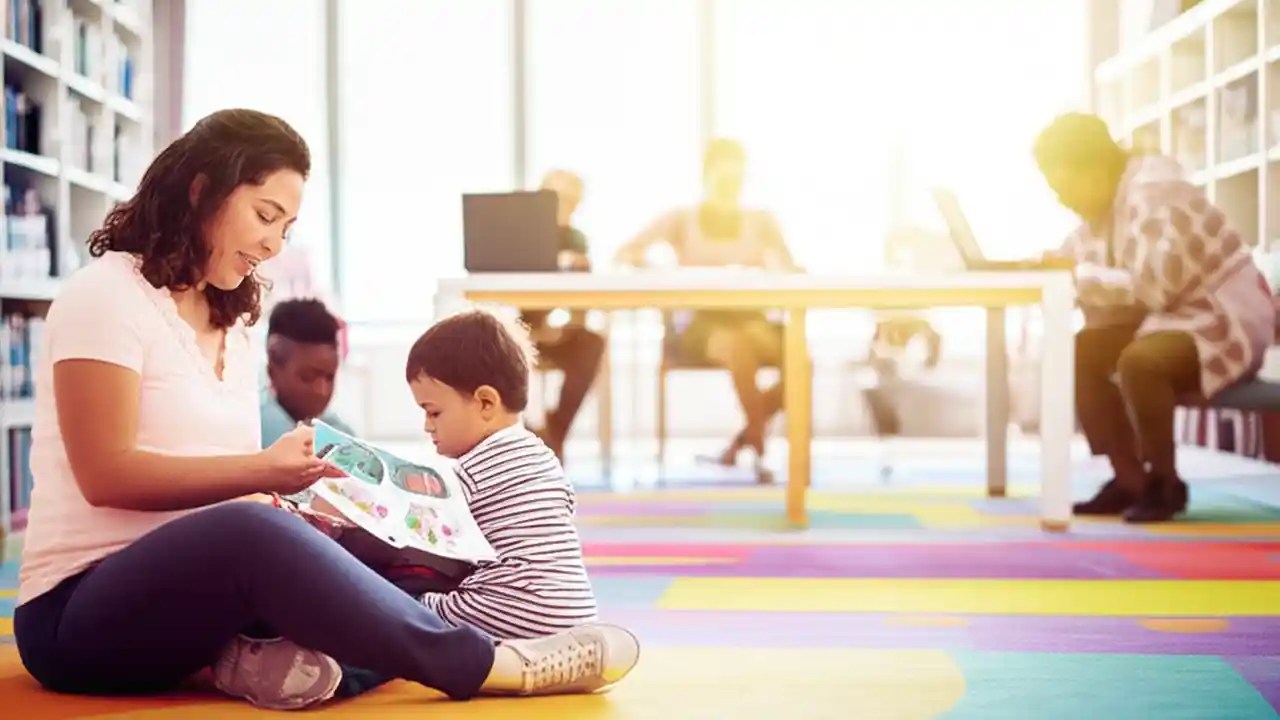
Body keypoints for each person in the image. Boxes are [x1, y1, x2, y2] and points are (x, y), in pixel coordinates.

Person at [12, 108, 639, 712]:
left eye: (286, 227)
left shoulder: (232, 322)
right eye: (265, 215)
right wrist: (262, 477)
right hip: (78, 615)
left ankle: (313, 666)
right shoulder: (104, 297)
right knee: (253, 533)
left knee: (396, 561)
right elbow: (106, 474)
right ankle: (495, 666)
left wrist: (316, 508)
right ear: (203, 190)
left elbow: (214, 485)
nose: (274, 242)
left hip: (194, 607)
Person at [1034, 112, 1276, 523]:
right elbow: (1094, 264)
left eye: (1066, 188)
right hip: (1169, 317)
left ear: (1094, 168)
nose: (1064, 201)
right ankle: (1129, 478)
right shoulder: (1105, 207)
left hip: (1221, 313)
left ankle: (1165, 482)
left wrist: (1078, 275)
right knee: (1080, 352)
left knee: (1140, 362)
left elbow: (1155, 285)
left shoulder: (1155, 192)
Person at [404, 309, 598, 638]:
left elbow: (419, 533)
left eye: (434, 412)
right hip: (576, 616)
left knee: (401, 603)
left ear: (485, 403)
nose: (427, 426)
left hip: (503, 611)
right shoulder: (546, 458)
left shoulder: (467, 473)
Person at [615, 139, 799, 478]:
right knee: (737, 346)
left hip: (752, 316)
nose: (730, 187)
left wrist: (778, 273)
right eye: (723, 179)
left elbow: (791, 267)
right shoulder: (680, 219)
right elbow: (627, 252)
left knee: (800, 359)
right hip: (700, 323)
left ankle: (742, 441)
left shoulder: (762, 220)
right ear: (707, 177)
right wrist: (664, 276)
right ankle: (760, 451)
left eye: (736, 180)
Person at [522, 170, 606, 462]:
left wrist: (564, 327)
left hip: (553, 333)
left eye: (571, 200)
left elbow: (581, 303)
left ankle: (552, 436)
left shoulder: (576, 240)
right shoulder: (516, 235)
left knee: (592, 343)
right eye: (556, 198)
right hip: (517, 331)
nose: (564, 206)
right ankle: (539, 437)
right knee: (510, 347)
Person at [261, 298, 355, 447]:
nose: (322, 391)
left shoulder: (342, 434)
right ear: (272, 371)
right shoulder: (257, 435)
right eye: (308, 377)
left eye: (330, 377)